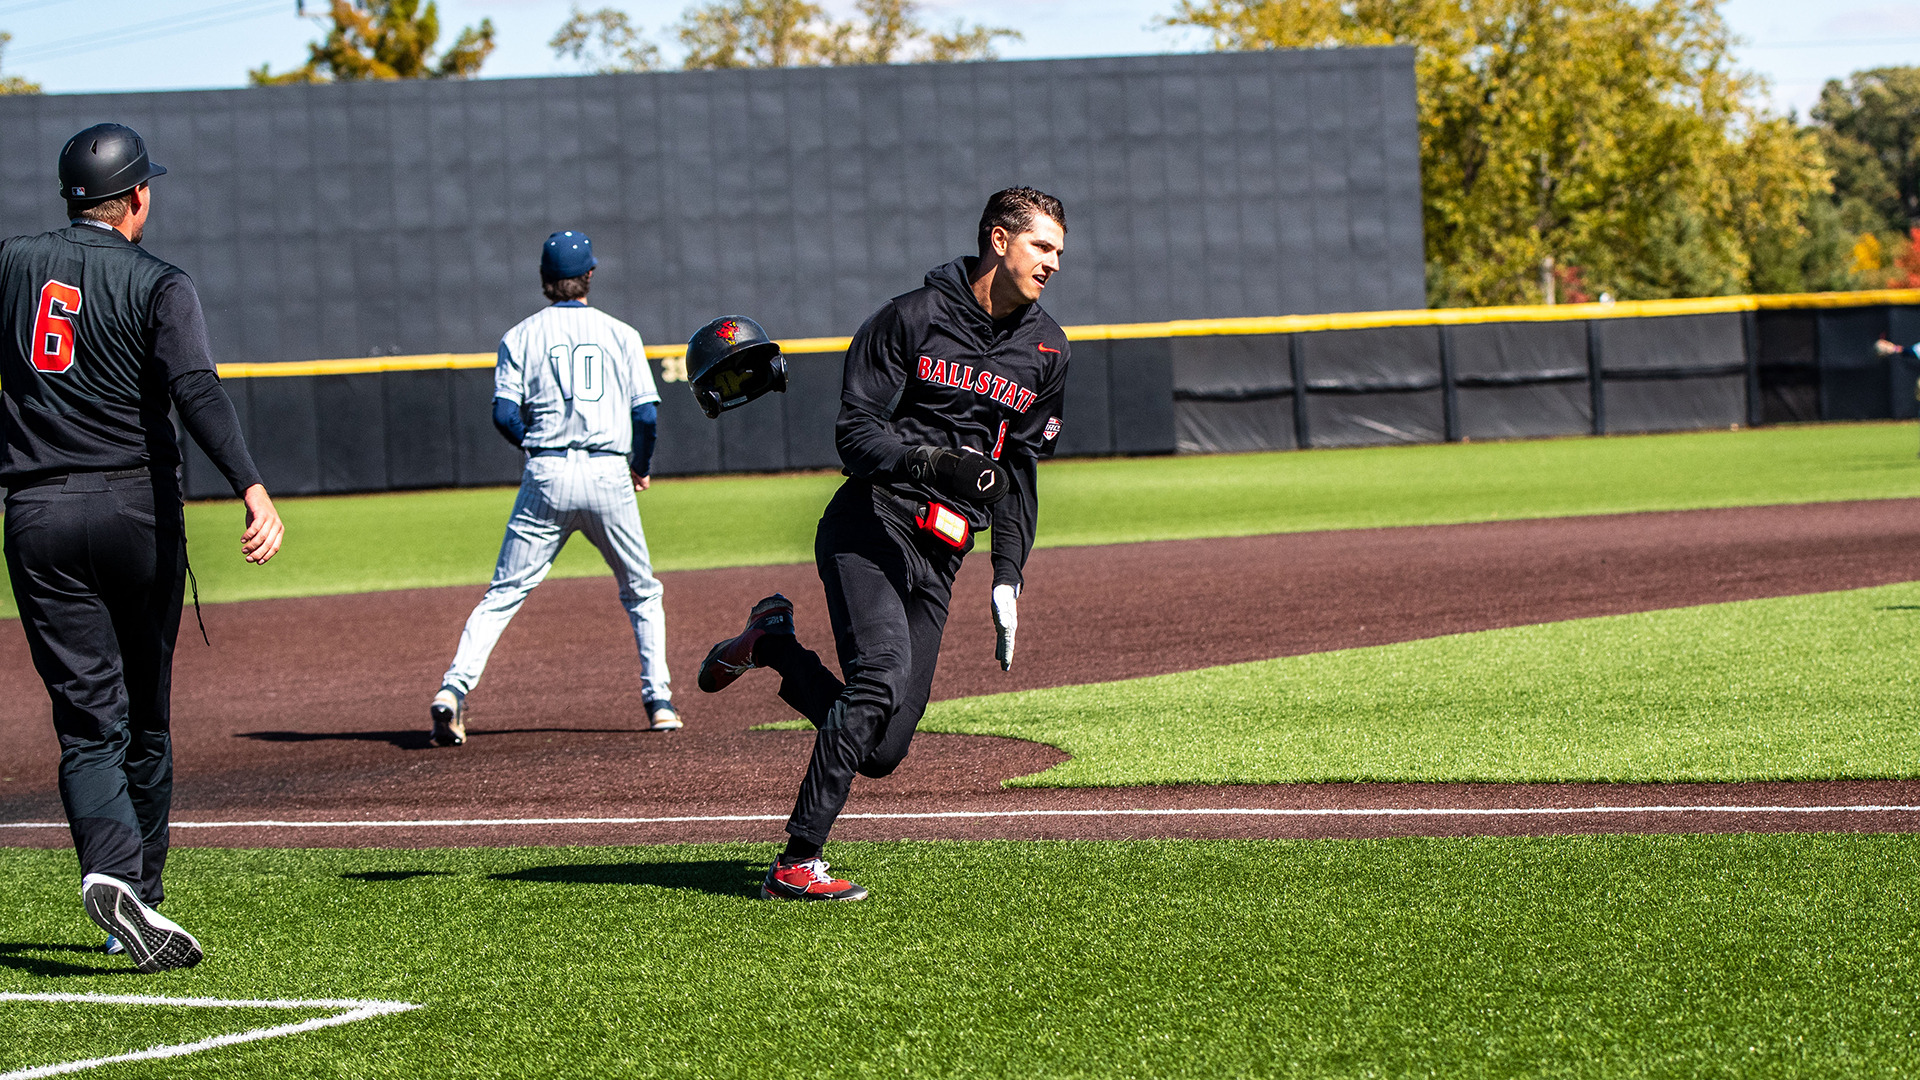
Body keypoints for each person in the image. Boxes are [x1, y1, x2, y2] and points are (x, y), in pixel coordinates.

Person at [697, 187, 1071, 901]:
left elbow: (1020, 472)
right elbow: (855, 435)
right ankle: (795, 861)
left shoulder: (1048, 349)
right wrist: (932, 462)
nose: (1053, 262)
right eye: (1041, 246)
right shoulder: (909, 319)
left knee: (883, 751)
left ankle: (772, 643)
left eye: (1058, 250)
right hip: (871, 523)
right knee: (877, 678)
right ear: (999, 240)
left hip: (942, 553)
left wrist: (1008, 574)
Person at [0, 123, 285, 972]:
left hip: (38, 514)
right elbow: (195, 388)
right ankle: (143, 896)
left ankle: (112, 875)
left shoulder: (12, 263)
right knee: (146, 718)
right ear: (133, 198)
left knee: (89, 722)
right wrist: (250, 484)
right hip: (135, 511)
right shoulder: (160, 282)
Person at [429, 230, 675, 745]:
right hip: (609, 472)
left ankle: (453, 690)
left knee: (503, 593)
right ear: (589, 276)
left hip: (547, 473)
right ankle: (660, 703)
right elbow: (647, 416)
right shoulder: (621, 334)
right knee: (641, 591)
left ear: (544, 280)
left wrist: (534, 445)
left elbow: (502, 414)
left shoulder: (519, 335)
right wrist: (641, 464)